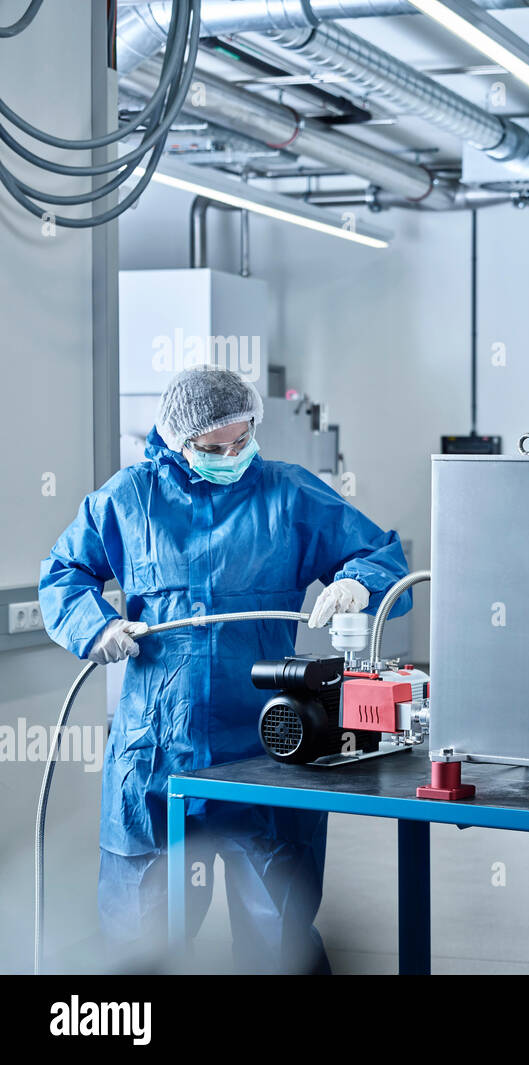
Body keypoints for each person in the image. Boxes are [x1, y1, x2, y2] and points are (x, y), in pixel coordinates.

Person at [39, 367, 412, 974]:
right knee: (142, 936)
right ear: (177, 441)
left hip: (267, 744)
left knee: (278, 934)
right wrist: (95, 627)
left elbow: (382, 555)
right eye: (214, 449)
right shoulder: (131, 499)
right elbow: (63, 573)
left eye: (242, 442)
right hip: (157, 749)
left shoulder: (289, 494)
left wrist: (354, 583)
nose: (232, 457)